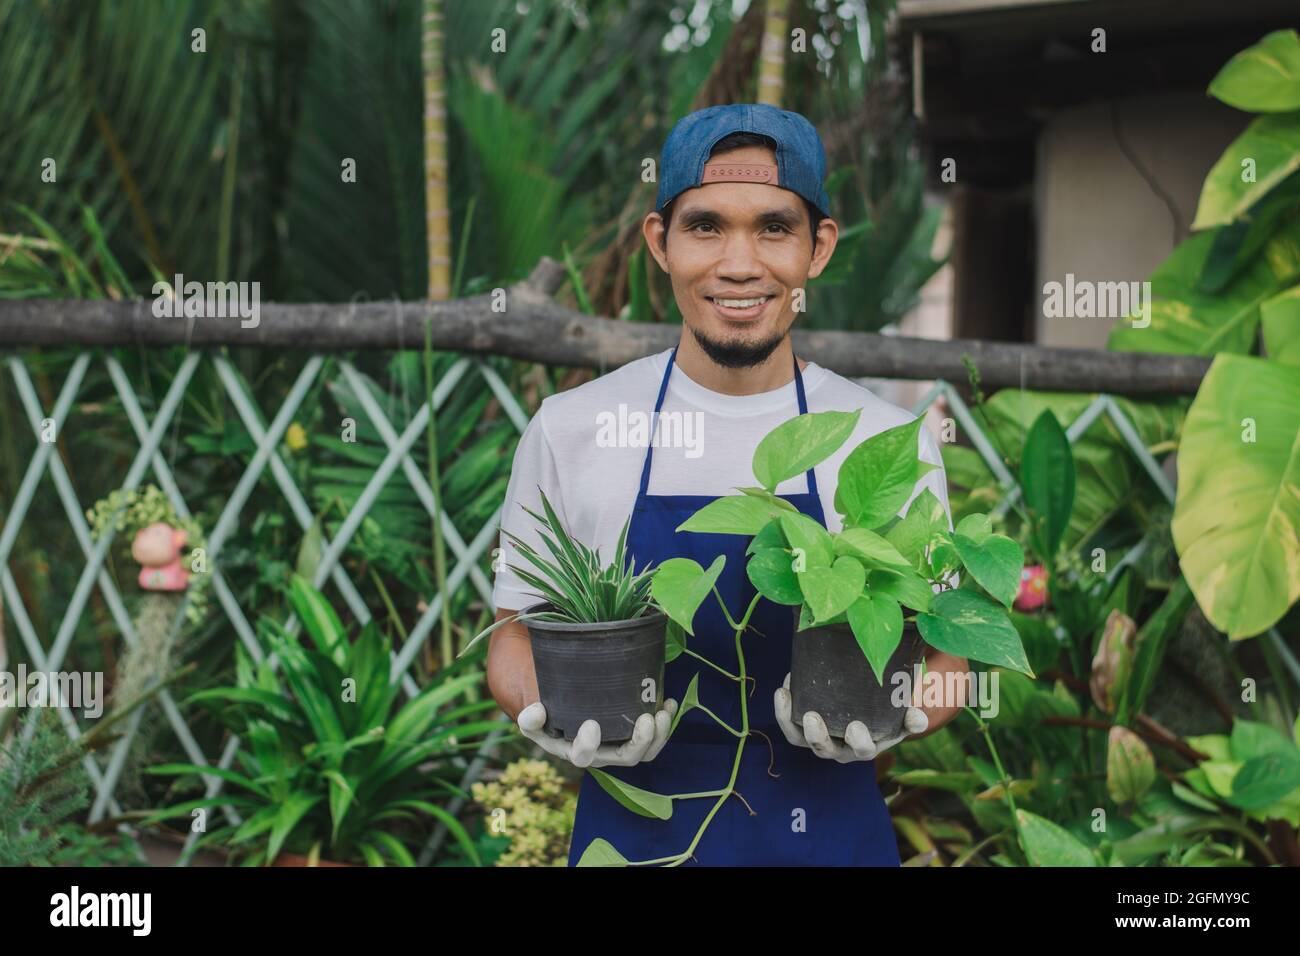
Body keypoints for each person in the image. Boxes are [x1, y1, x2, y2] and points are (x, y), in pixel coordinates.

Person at [486, 103, 969, 866]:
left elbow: (949, 653)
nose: (738, 263)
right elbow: (514, 633)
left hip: (835, 836)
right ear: (660, 242)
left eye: (775, 227)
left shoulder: (885, 440)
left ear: (819, 248)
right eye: (706, 225)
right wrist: (542, 711)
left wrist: (904, 717)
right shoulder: (575, 428)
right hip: (636, 833)